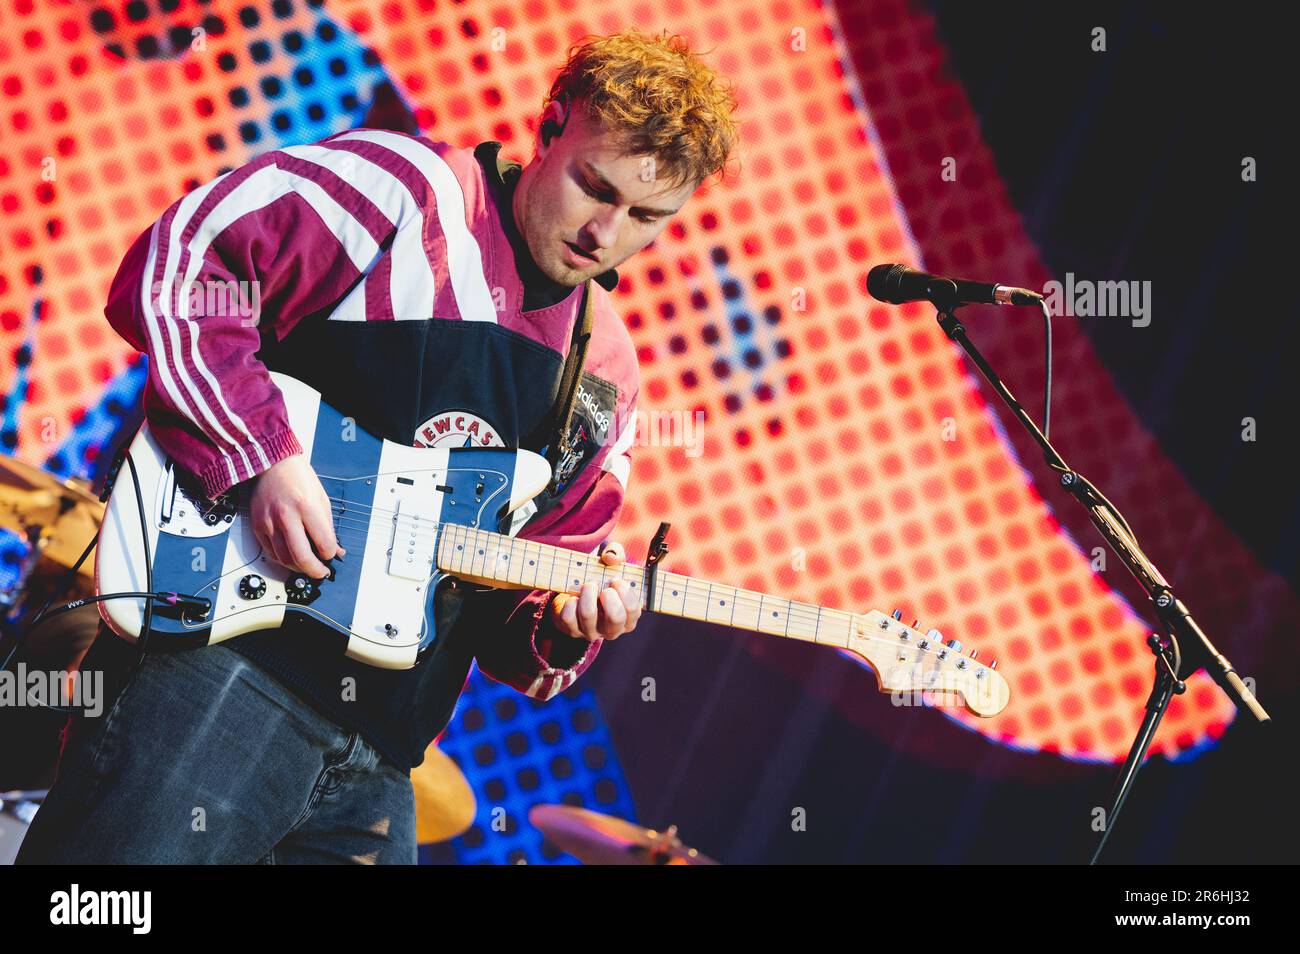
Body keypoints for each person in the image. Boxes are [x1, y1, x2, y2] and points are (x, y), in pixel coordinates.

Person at [16, 28, 738, 864]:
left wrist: (572, 625)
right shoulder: (403, 191)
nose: (605, 232)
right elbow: (179, 266)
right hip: (221, 673)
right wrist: (262, 458)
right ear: (550, 126)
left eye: (647, 217)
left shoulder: (605, 373)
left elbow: (526, 631)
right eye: (594, 186)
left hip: (384, 761)